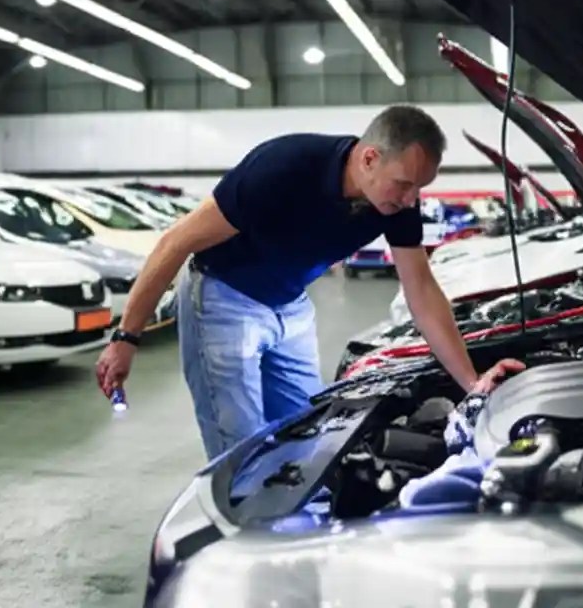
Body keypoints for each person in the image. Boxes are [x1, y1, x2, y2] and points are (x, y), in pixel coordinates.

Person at [94, 105, 526, 459]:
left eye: (420, 188)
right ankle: (244, 551)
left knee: (312, 440)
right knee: (242, 451)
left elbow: (421, 289)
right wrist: (126, 337)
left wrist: (471, 384)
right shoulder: (283, 167)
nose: (412, 199)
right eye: (405, 184)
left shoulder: (396, 201)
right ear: (369, 158)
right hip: (224, 301)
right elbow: (175, 243)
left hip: (290, 306)